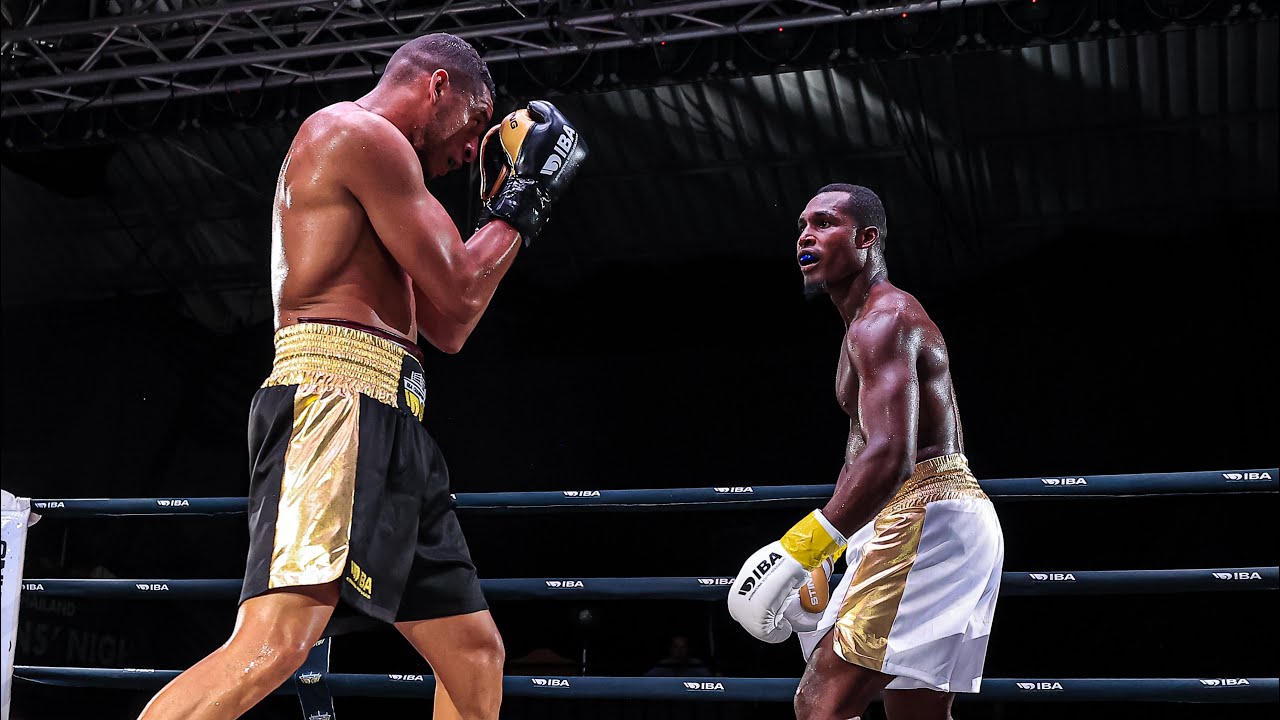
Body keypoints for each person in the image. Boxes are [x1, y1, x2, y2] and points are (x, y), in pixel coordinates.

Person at [137, 33, 586, 720]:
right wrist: (527, 194)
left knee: (473, 655)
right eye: (474, 121)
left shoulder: (393, 181)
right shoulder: (357, 134)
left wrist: (510, 209)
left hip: (395, 421)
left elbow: (450, 324)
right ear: (437, 87)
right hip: (334, 404)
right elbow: (465, 291)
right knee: (276, 642)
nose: (473, 149)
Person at [727, 185, 1004, 720]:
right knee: (914, 712)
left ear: (867, 238)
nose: (806, 236)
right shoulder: (863, 325)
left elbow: (890, 455)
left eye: (825, 223)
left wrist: (799, 548)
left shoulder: (885, 319)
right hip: (926, 520)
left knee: (820, 704)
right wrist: (828, 553)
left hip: (925, 519)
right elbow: (862, 456)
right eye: (802, 225)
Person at [643, 634, 712, 677]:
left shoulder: (697, 665)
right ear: (670, 649)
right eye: (676, 647)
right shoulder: (663, 665)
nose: (679, 650)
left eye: (683, 647)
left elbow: (712, 683)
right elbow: (644, 681)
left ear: (688, 649)